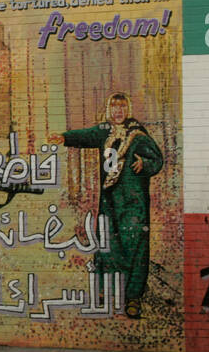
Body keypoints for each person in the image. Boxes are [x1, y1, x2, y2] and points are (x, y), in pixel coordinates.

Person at [49, 92, 163, 319]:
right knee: (106, 242)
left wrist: (145, 163)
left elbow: (157, 159)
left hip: (134, 204)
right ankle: (102, 291)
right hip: (110, 200)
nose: (118, 112)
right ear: (110, 110)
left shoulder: (138, 135)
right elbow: (86, 135)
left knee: (136, 249)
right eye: (114, 107)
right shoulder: (105, 131)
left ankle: (132, 298)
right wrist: (64, 137)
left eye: (122, 108)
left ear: (127, 110)